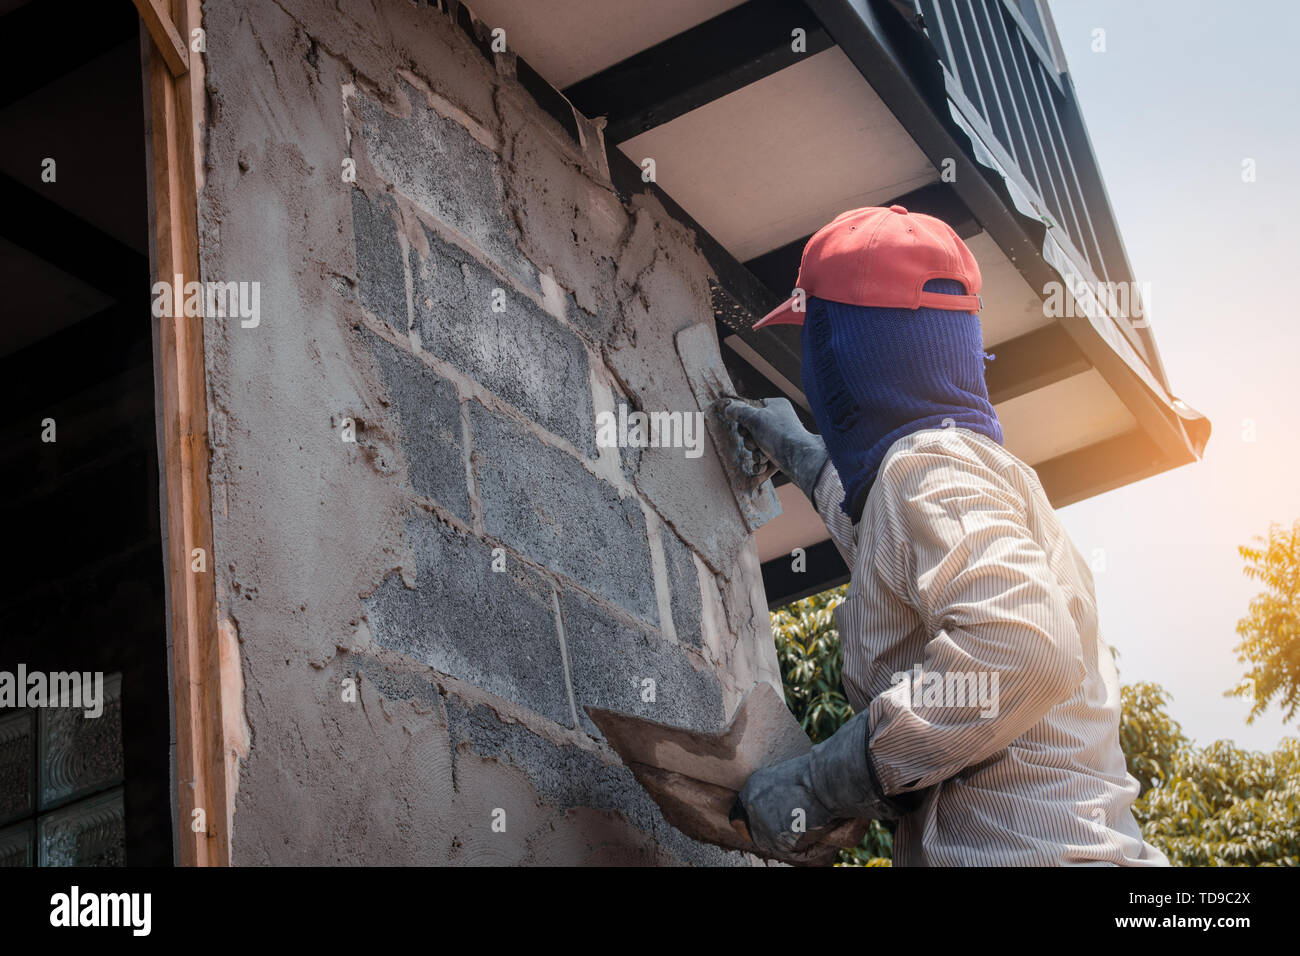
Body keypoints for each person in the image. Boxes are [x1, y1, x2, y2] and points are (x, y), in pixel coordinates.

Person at [721, 205, 1167, 866]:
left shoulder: (929, 466)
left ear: (847, 353)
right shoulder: (961, 470)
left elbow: (1019, 645)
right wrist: (795, 447)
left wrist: (820, 782)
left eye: (815, 335)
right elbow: (889, 540)